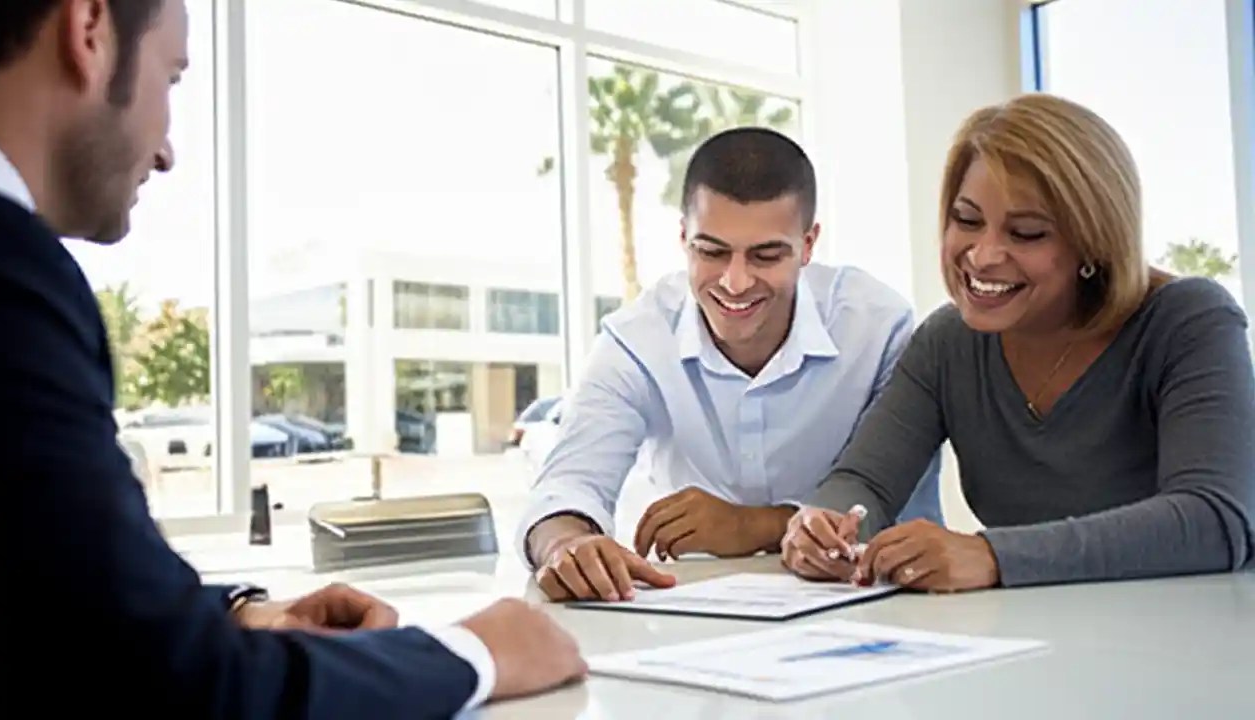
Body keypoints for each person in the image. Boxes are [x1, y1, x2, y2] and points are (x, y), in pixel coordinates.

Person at [0, 1, 584, 716]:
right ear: (89, 31)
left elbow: (43, 577)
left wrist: (233, 611)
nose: (167, 150)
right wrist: (475, 653)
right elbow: (172, 684)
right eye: (171, 80)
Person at [780, 93, 1255, 592]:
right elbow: (865, 481)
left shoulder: (1189, 320)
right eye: (966, 220)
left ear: (1094, 242)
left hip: (1191, 640)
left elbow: (1214, 518)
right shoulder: (946, 343)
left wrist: (992, 555)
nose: (983, 255)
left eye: (1027, 233)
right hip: (1030, 641)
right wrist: (823, 524)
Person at [519, 126, 944, 602]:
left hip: (874, 608)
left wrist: (751, 526)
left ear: (808, 245)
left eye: (766, 255)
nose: (735, 282)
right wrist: (567, 544)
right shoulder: (636, 340)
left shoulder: (879, 328)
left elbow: (904, 514)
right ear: (683, 239)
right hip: (693, 609)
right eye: (712, 251)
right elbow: (567, 486)